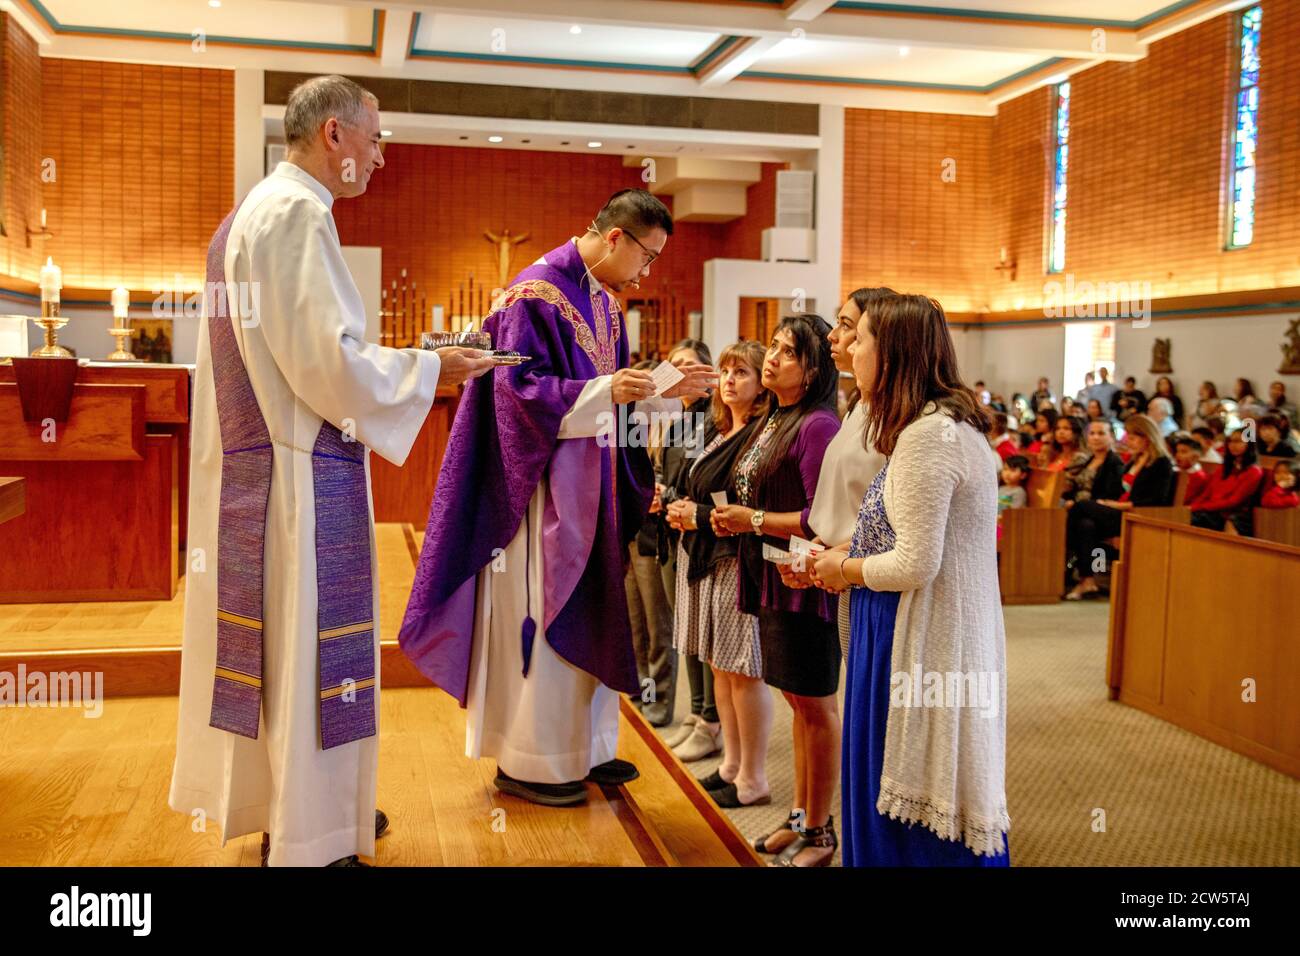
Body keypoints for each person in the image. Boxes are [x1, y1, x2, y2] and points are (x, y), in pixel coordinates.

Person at [168, 75, 495, 868]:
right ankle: (313, 838)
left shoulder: (250, 212)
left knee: (286, 656)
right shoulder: (296, 214)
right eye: (375, 139)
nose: (381, 157)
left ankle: (302, 811)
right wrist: (431, 370)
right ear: (335, 137)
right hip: (299, 479)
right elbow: (326, 364)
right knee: (308, 653)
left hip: (263, 472)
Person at [398, 189, 715, 807]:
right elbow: (516, 393)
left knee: (591, 609)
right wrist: (604, 392)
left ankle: (586, 748)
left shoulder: (606, 305)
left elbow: (615, 400)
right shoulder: (531, 293)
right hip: (538, 494)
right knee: (543, 617)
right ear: (616, 238)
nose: (646, 272)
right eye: (646, 256)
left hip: (590, 486)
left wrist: (670, 393)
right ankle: (532, 759)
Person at [812, 292, 1009, 866]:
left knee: (907, 805)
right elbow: (909, 535)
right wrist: (850, 551)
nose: (849, 347)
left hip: (915, 638)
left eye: (862, 337)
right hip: (901, 629)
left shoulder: (929, 435)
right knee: (888, 787)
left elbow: (916, 563)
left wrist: (842, 569)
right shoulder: (927, 428)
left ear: (893, 354)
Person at [710, 314, 841, 866]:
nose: (773, 357)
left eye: (788, 352)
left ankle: (821, 830)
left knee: (815, 705)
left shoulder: (817, 426)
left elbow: (821, 517)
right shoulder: (775, 417)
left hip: (802, 579)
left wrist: (753, 519)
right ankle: (800, 815)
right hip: (768, 573)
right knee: (795, 701)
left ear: (811, 372)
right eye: (775, 346)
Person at [665, 341, 771, 783]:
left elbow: (750, 506)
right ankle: (730, 767)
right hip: (705, 555)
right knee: (719, 668)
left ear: (761, 383)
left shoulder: (762, 434)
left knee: (742, 670)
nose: (729, 380)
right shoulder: (718, 428)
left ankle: (751, 775)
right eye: (726, 372)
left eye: (741, 372)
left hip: (736, 560)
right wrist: (681, 506)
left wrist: (698, 515)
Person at [1064, 414, 1174, 600]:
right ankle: (1088, 581)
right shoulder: (1134, 460)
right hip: (1120, 512)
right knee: (1085, 525)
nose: (1127, 441)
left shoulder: (1161, 463)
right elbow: (1117, 490)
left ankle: (1066, 565)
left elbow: (1156, 499)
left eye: (1132, 437)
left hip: (1138, 516)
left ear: (1146, 437)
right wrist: (1109, 503)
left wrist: (1117, 504)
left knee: (1081, 506)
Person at [625, 357, 679, 728]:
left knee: (658, 624)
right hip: (629, 528)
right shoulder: (628, 428)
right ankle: (640, 689)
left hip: (655, 532)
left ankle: (659, 697)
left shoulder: (677, 429)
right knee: (635, 621)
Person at [1189, 430, 1263, 536]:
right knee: (1183, 516)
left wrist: (1202, 507)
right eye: (1230, 441)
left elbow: (1234, 501)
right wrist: (1192, 507)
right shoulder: (1224, 467)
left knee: (1193, 520)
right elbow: (1207, 492)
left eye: (1238, 441)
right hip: (1212, 510)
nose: (1233, 445)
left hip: (1229, 513)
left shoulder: (1254, 471)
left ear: (1249, 444)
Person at [1067, 420, 1124, 507]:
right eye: (1092, 433)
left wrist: (1078, 505)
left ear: (1111, 437)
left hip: (1096, 509)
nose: (1095, 437)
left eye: (1101, 433)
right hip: (1077, 506)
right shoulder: (1088, 460)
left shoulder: (1115, 463)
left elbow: (1110, 495)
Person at [1172, 435, 1211, 505]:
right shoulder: (1175, 472)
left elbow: (1185, 499)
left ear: (1196, 456)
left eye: (1183, 452)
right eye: (1177, 451)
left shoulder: (1200, 477)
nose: (1178, 455)